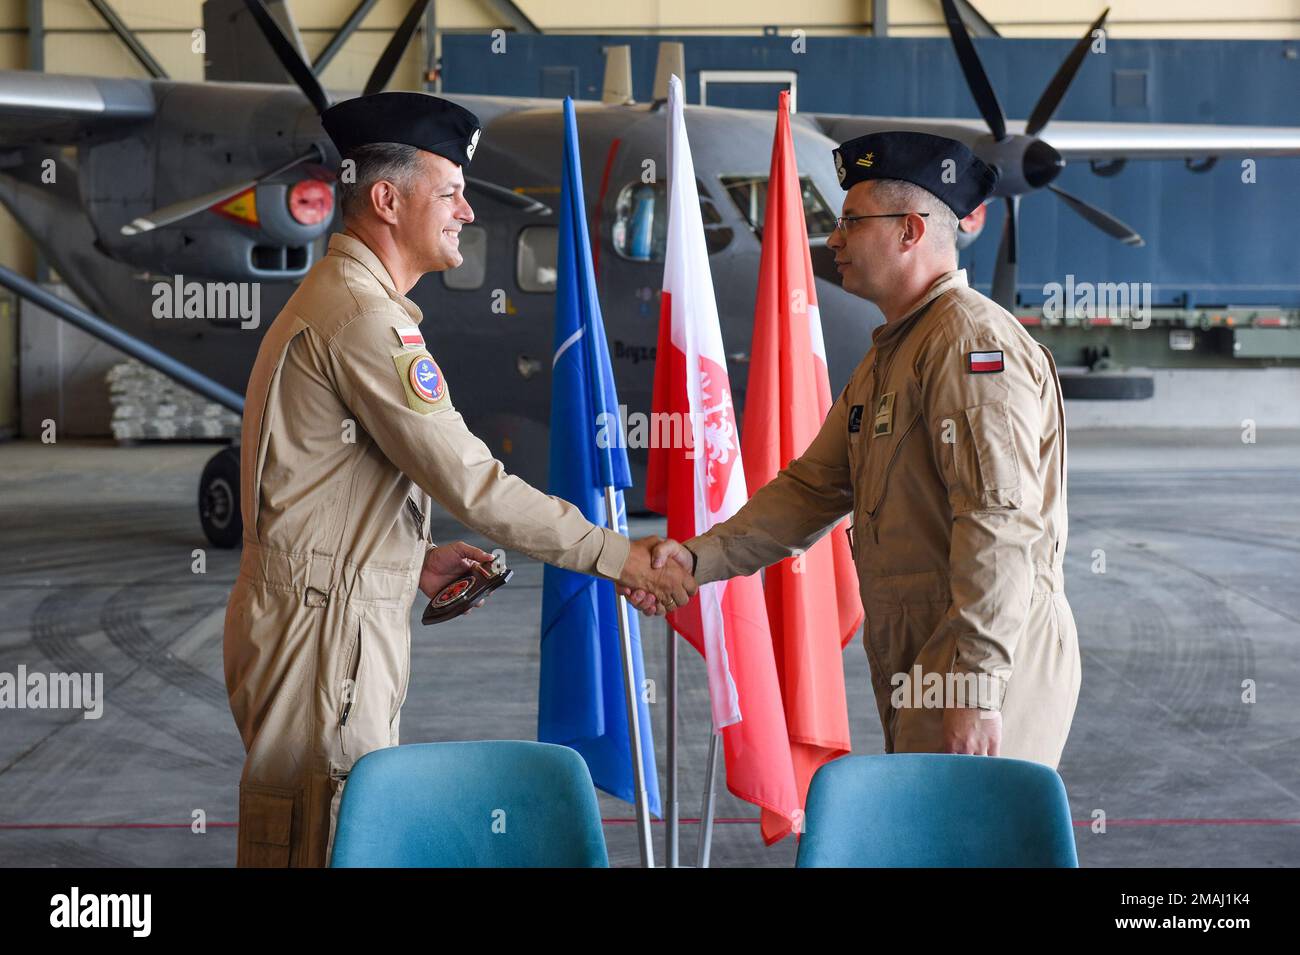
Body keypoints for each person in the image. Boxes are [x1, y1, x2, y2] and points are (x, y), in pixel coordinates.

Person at [223, 91, 693, 868]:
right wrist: (619, 555)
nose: (467, 212)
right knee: (324, 838)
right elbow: (473, 482)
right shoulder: (364, 320)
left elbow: (331, 491)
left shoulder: (353, 303)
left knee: (328, 827)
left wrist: (413, 558)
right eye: (449, 191)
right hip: (324, 632)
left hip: (321, 618)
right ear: (385, 198)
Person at [628, 131, 1080, 767]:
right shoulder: (896, 350)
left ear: (910, 231)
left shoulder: (969, 346)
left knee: (965, 845)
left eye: (850, 222)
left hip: (983, 657)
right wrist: (695, 560)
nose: (833, 240)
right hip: (929, 650)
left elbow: (998, 523)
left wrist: (978, 688)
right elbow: (813, 489)